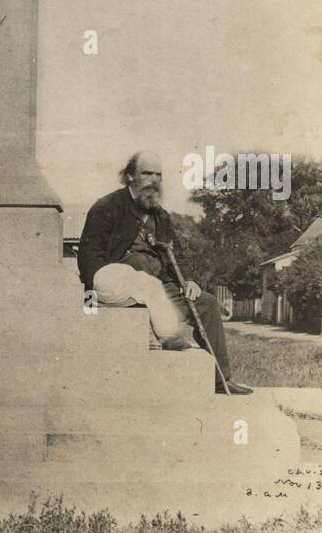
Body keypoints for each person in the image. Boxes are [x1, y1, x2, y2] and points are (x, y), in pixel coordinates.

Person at [77, 151, 253, 395]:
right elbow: (89, 257)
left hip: (162, 288)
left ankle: (220, 379)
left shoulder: (160, 215)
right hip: (127, 292)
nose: (153, 180)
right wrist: (91, 302)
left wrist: (190, 280)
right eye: (146, 173)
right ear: (129, 177)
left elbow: (176, 256)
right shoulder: (108, 207)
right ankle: (167, 337)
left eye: (158, 175)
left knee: (208, 304)